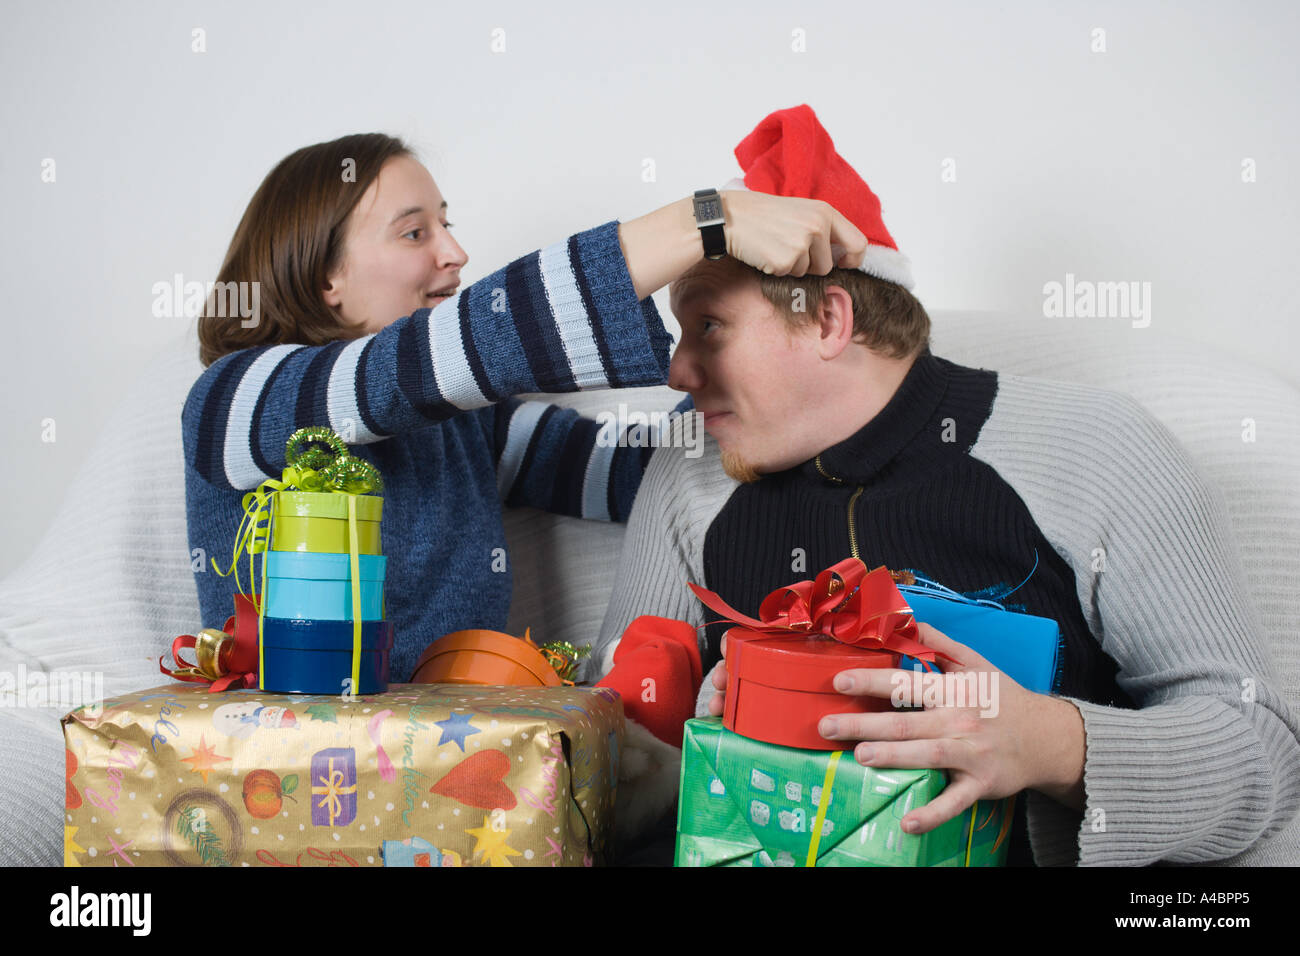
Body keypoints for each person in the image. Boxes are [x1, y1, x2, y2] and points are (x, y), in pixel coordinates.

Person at [587, 105, 1300, 866]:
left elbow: (1262, 752)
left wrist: (1052, 744)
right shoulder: (686, 469)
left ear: (829, 320)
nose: (676, 372)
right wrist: (704, 737)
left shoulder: (1099, 445)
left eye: (710, 328)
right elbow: (614, 760)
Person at [184, 131, 867, 683]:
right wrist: (709, 219)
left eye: (446, 226)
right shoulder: (232, 403)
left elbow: (643, 472)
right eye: (415, 233)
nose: (456, 253)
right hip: (290, 776)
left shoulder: (464, 427)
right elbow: (418, 365)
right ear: (324, 275)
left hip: (459, 777)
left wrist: (770, 373)